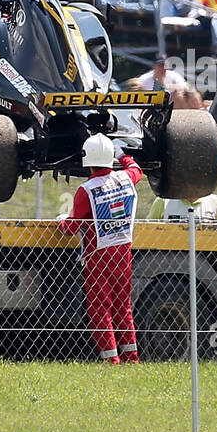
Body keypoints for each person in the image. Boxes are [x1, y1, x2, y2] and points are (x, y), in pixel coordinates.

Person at [57, 134, 144, 364]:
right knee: (123, 308)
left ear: (87, 160)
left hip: (99, 256)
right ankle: (131, 358)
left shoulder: (86, 191)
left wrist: (61, 220)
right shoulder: (126, 178)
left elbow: (71, 227)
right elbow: (136, 169)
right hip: (123, 253)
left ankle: (111, 360)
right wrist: (122, 154)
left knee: (99, 309)